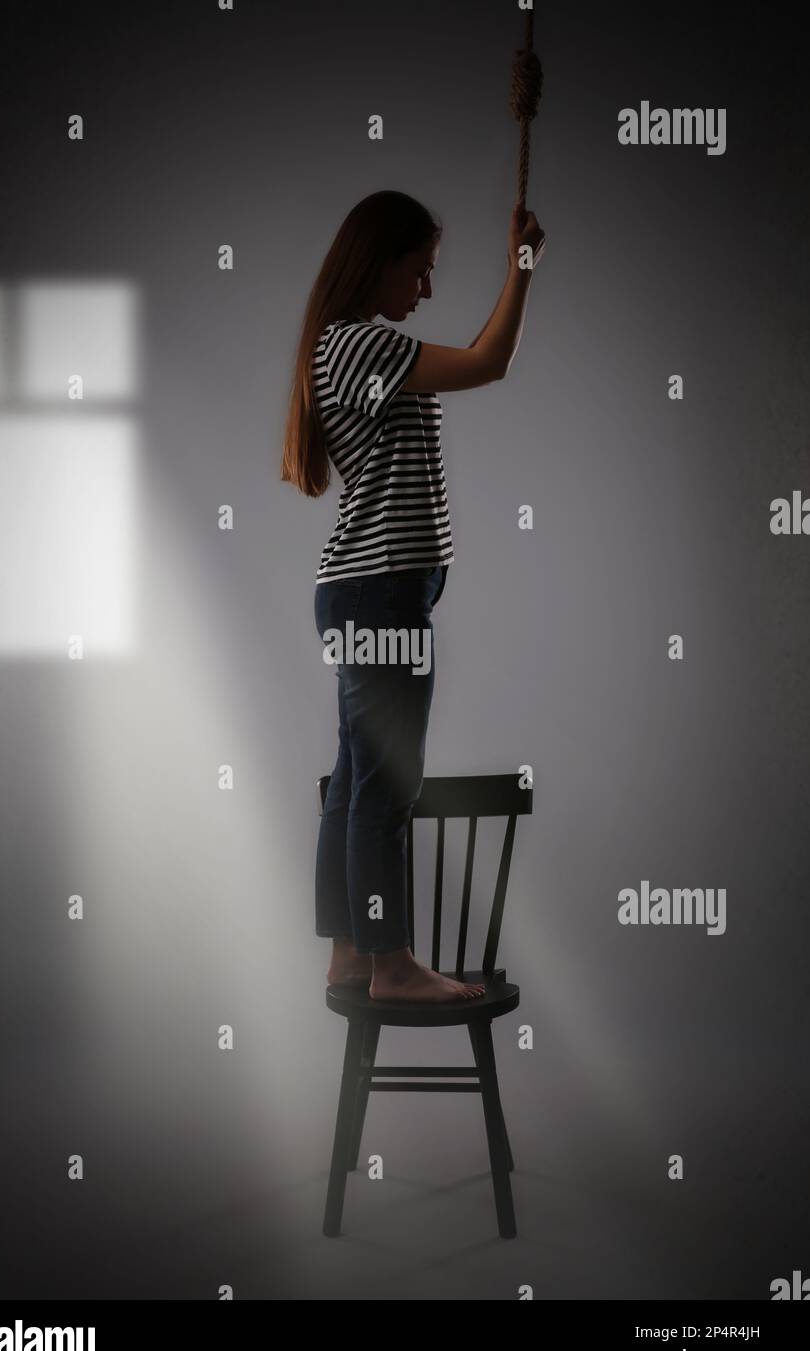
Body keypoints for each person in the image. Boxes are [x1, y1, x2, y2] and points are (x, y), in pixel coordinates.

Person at [281, 189, 545, 1003]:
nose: (425, 290)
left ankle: (350, 956)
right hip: (382, 593)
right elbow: (490, 362)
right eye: (421, 270)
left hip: (367, 589)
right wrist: (524, 264)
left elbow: (466, 356)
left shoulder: (347, 346)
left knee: (360, 776)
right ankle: (391, 964)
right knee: (386, 785)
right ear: (381, 261)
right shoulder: (358, 344)